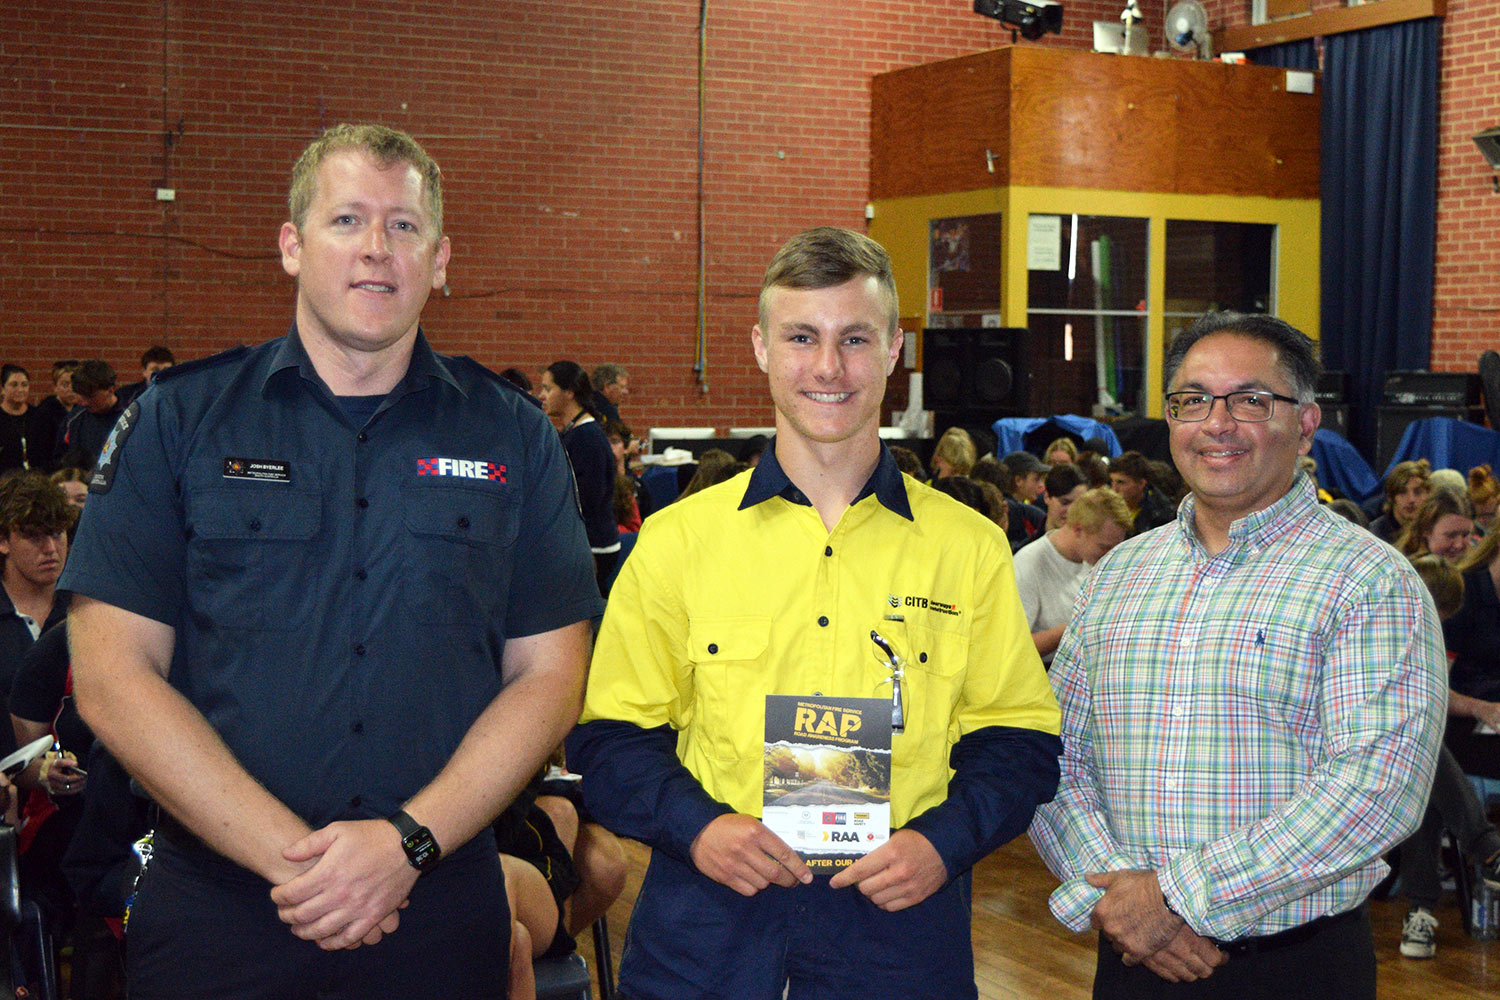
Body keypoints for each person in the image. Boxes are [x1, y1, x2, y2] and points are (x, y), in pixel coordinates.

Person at [60, 123, 602, 997]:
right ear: (291, 245)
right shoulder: (178, 421)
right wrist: (303, 865)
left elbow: (550, 674)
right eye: (347, 219)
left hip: (436, 905)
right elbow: (112, 676)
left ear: (439, 259)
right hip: (219, 915)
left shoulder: (514, 436)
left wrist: (405, 846)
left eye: (404, 226)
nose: (376, 248)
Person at [565, 227, 1061, 1000]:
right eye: (802, 337)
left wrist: (942, 843)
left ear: (894, 351)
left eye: (854, 338)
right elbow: (610, 740)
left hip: (899, 937)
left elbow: (1019, 742)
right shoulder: (676, 544)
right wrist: (700, 828)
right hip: (708, 934)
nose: (829, 367)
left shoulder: (967, 548)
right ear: (761, 347)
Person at [1029, 311, 1448, 999]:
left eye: (1250, 400)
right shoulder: (1119, 574)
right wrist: (1119, 898)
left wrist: (1172, 897)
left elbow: (1375, 791)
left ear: (1306, 424)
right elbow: (1057, 754)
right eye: (1193, 400)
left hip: (1293, 968)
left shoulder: (1370, 581)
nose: (1216, 424)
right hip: (1132, 958)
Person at [1391, 555, 1500, 961]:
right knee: (1421, 749)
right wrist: (1479, 707)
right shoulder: (1380, 631)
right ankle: (1487, 847)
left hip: (1418, 747)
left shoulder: (1422, 633)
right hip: (1372, 742)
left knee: (1423, 769)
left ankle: (1420, 910)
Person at [1011, 486, 1130, 664]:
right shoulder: (1028, 564)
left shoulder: (1094, 559)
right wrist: (1073, 628)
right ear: (1078, 529)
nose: (1110, 556)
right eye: (1103, 547)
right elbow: (1015, 647)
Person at [0, 473, 75, 755]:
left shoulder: (88, 610)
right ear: (3, 541)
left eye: (57, 534)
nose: (50, 549)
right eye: (34, 537)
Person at [538, 360, 621, 590]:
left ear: (569, 392)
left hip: (593, 546)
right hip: (582, 542)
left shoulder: (588, 437)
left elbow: (587, 498)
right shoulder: (575, 433)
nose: (542, 395)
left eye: (548, 388)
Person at [58, 360, 124, 470]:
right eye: (81, 396)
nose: (84, 403)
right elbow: (60, 462)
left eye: (90, 396)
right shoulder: (74, 420)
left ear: (110, 389)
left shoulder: (130, 418)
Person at [1394, 490, 1476, 563]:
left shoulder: (1476, 568)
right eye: (1451, 535)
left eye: (1465, 535)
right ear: (1425, 529)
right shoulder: (1401, 569)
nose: (1458, 545)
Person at [1108, 450, 1175, 534]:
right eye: (1112, 481)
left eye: (1120, 482)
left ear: (1141, 483)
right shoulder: (1106, 507)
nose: (1114, 489)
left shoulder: (1161, 516)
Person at [1, 364, 50, 476]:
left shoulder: (40, 416)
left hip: (36, 479)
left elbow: (48, 453)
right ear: (2, 388)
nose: (20, 390)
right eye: (14, 385)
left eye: (24, 385)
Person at [1369, 459, 1431, 543]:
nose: (1411, 500)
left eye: (1418, 492)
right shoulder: (1373, 535)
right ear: (1390, 497)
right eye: (1402, 492)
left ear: (1428, 495)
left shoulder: (1434, 530)